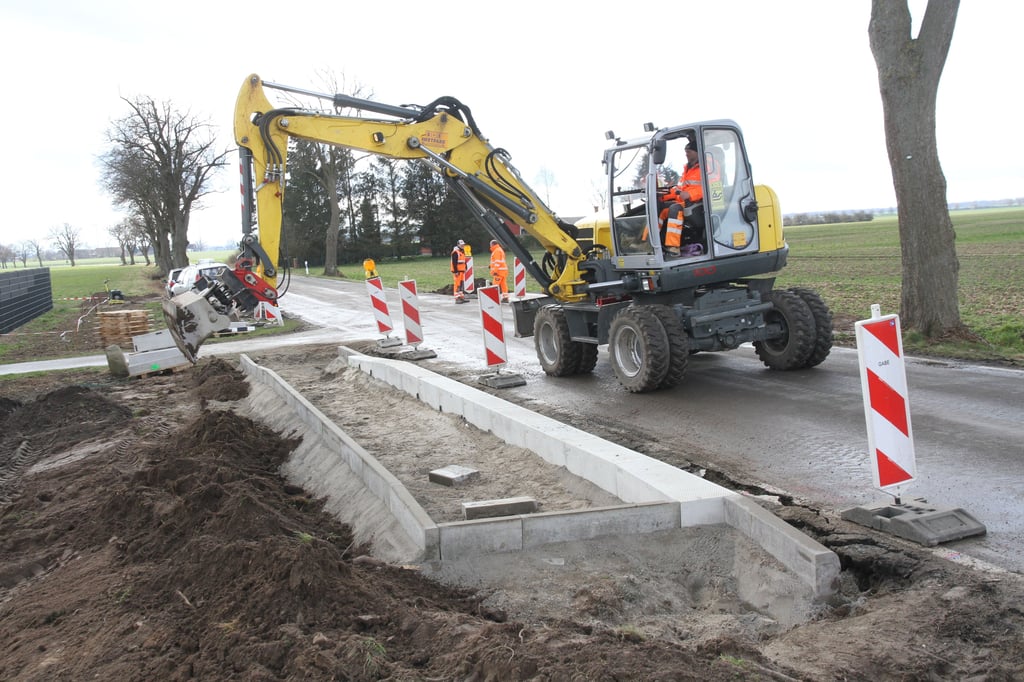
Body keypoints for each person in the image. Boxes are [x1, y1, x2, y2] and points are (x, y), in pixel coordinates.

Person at [660, 140, 709, 257]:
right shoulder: (688, 168)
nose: (686, 154)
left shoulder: (707, 166)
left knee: (675, 209)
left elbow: (711, 186)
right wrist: (663, 195)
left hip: (699, 204)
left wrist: (690, 195)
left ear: (698, 152)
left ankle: (673, 247)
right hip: (685, 202)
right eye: (685, 152)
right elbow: (679, 189)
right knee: (660, 207)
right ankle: (649, 242)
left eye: (689, 151)